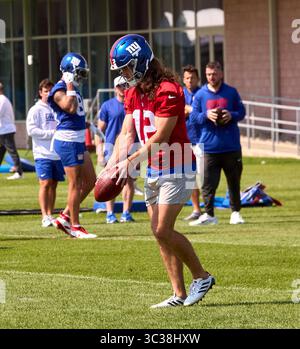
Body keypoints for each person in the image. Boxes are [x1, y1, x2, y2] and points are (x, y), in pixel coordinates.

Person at [107, 34, 215, 308]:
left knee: (161, 229)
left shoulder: (168, 89)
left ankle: (202, 277)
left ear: (141, 62)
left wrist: (131, 162)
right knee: (158, 232)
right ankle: (178, 294)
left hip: (178, 165)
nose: (124, 74)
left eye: (127, 67)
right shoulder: (133, 92)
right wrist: (111, 164)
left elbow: (162, 137)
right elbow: (127, 132)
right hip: (155, 168)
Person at [189, 61, 246, 226]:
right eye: (208, 74)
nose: (211, 77)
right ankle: (209, 214)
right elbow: (193, 117)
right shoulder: (200, 95)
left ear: (221, 74)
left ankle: (235, 213)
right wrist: (207, 115)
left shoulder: (231, 92)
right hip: (209, 147)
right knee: (207, 184)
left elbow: (242, 112)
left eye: (214, 74)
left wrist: (231, 115)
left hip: (231, 146)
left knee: (234, 182)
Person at [48, 52, 97, 239]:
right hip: (67, 140)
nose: (80, 77)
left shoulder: (73, 89)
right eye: (79, 73)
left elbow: (75, 115)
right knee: (75, 183)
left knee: (91, 180)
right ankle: (74, 225)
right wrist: (68, 84)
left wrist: (88, 125)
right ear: (69, 71)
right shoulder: (59, 89)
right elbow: (69, 107)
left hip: (77, 139)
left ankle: (64, 216)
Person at [26, 79, 65, 228]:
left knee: (54, 184)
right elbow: (31, 131)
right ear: (40, 93)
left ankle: (50, 213)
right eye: (46, 91)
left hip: (56, 152)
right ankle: (44, 216)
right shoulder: (35, 110)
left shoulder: (56, 108)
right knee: (45, 183)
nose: (48, 94)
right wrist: (51, 133)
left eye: (51, 91)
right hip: (42, 153)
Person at [97, 76, 135, 224]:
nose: (123, 88)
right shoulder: (107, 106)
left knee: (129, 181)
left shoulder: (132, 103)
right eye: (120, 86)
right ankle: (110, 213)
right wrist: (100, 152)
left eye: (125, 85)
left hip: (132, 146)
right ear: (114, 88)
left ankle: (126, 212)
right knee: (110, 181)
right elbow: (99, 130)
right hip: (112, 146)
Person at [182, 65, 202, 221]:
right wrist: (189, 110)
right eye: (187, 78)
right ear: (184, 79)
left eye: (193, 78)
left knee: (204, 178)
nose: (190, 80)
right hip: (185, 141)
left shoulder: (203, 93)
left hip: (203, 141)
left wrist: (190, 110)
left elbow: (204, 113)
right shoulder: (179, 94)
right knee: (191, 177)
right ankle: (196, 210)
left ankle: (207, 210)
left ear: (198, 79)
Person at [0, 82, 24, 180]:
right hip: (4, 129)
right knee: (1, 151)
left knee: (12, 151)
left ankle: (19, 172)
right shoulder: (3, 99)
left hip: (5, 130)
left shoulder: (2, 100)